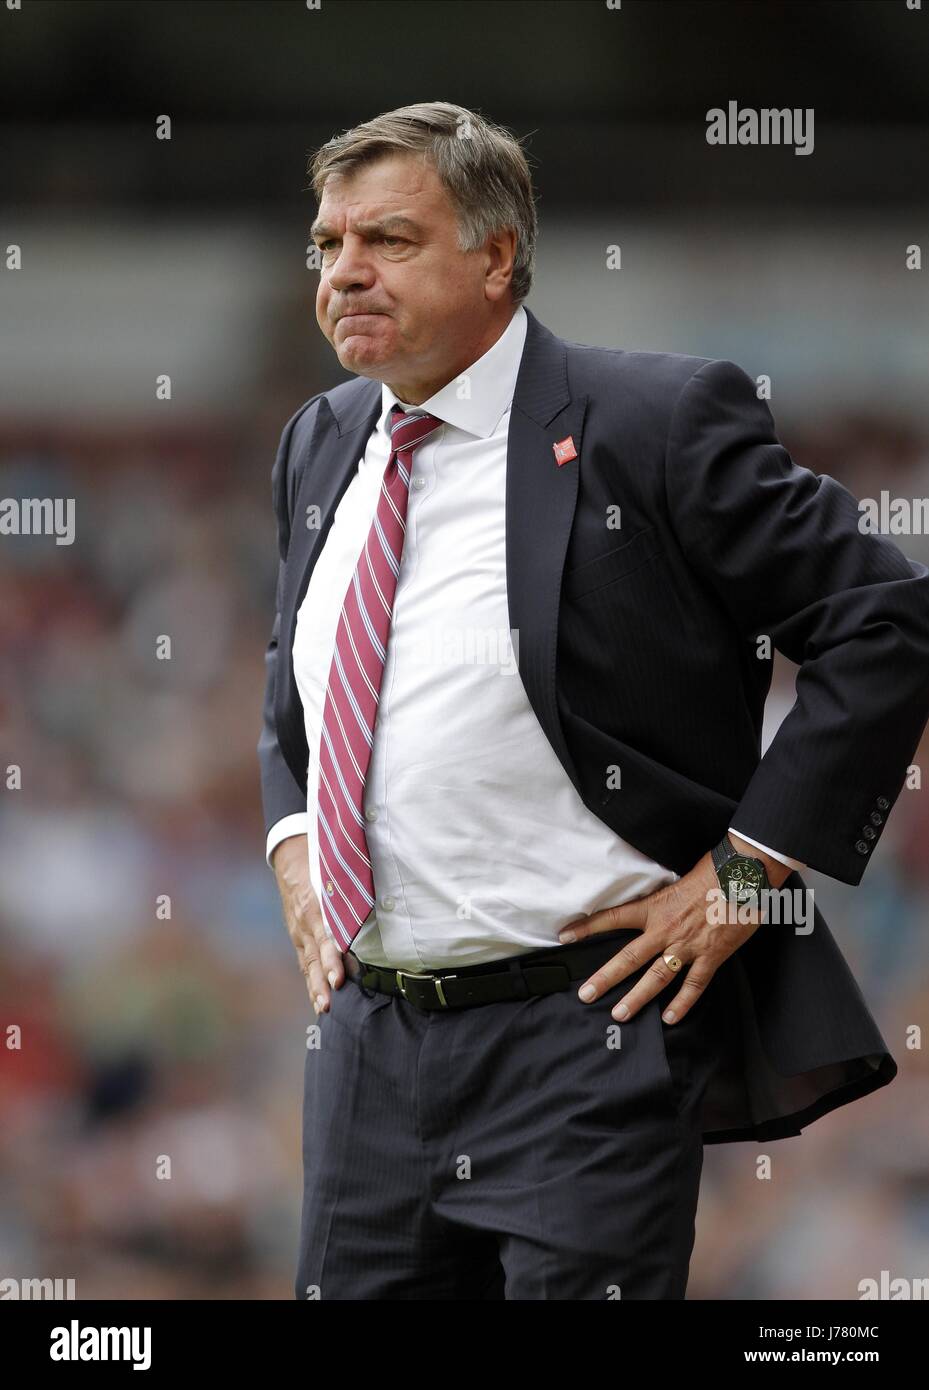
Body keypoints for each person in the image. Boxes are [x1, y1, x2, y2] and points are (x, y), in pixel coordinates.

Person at [257, 101, 929, 1300]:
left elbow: (885, 619)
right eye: (327, 244)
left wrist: (750, 869)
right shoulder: (317, 442)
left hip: (583, 1031)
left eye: (390, 241)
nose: (344, 271)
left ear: (497, 253)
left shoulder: (652, 421)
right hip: (367, 1043)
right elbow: (295, 689)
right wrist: (295, 836)